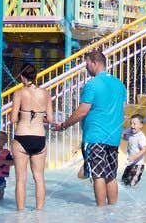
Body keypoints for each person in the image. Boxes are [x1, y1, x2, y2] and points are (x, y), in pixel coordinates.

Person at [52, 49, 126, 207]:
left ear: (95, 63)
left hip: (95, 136)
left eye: (87, 64)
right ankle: (113, 211)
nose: (86, 68)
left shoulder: (92, 85)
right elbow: (121, 109)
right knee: (111, 175)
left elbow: (82, 111)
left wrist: (64, 125)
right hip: (113, 137)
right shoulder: (119, 84)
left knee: (98, 175)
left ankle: (100, 212)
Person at [9, 65, 50, 211]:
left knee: (21, 179)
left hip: (22, 137)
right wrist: (38, 116)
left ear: (22, 77)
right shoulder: (45, 93)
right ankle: (40, 212)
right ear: (35, 76)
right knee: (39, 178)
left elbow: (13, 119)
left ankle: (20, 213)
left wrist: (23, 114)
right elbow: (50, 119)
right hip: (39, 138)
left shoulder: (19, 93)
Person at [122, 113, 146, 187]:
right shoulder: (130, 133)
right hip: (130, 164)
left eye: (134, 124)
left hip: (138, 165)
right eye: (131, 123)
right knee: (123, 182)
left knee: (131, 185)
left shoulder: (141, 137)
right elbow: (125, 137)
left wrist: (135, 157)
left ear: (141, 125)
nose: (132, 126)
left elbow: (145, 149)